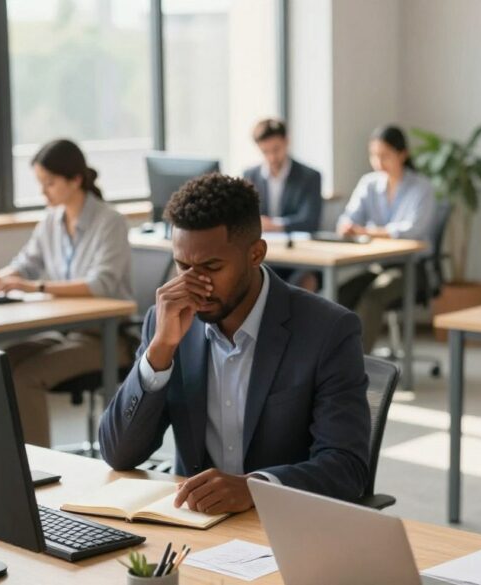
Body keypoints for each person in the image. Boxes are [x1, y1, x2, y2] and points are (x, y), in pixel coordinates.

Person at [99, 173, 370, 513]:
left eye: (211, 267)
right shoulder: (165, 322)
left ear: (256, 253)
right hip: (196, 527)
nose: (195, 284)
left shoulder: (328, 330)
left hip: (285, 527)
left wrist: (254, 489)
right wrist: (160, 351)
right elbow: (118, 453)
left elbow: (347, 467)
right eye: (183, 266)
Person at [0, 138, 133, 448]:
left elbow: (100, 284)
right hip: (66, 333)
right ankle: (4, 460)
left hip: (108, 338)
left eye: (50, 183)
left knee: (25, 376)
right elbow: (26, 265)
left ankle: (36, 471)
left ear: (75, 180)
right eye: (41, 183)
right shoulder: (51, 221)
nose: (43, 191)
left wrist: (35, 287)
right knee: (0, 363)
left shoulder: (109, 221)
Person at [336, 125, 435, 353]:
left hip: (412, 269)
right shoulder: (369, 183)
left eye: (385, 155)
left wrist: (367, 231)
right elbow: (348, 219)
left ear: (403, 154)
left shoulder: (421, 187)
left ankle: (356, 367)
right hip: (378, 265)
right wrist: (348, 227)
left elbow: (413, 230)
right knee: (338, 295)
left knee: (373, 297)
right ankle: (329, 363)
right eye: (374, 155)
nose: (378, 162)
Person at [242, 118, 323, 234]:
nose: (272, 157)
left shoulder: (310, 177)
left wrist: (275, 225)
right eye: (265, 151)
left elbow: (310, 221)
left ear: (287, 141)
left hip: (297, 245)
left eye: (276, 149)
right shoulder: (250, 176)